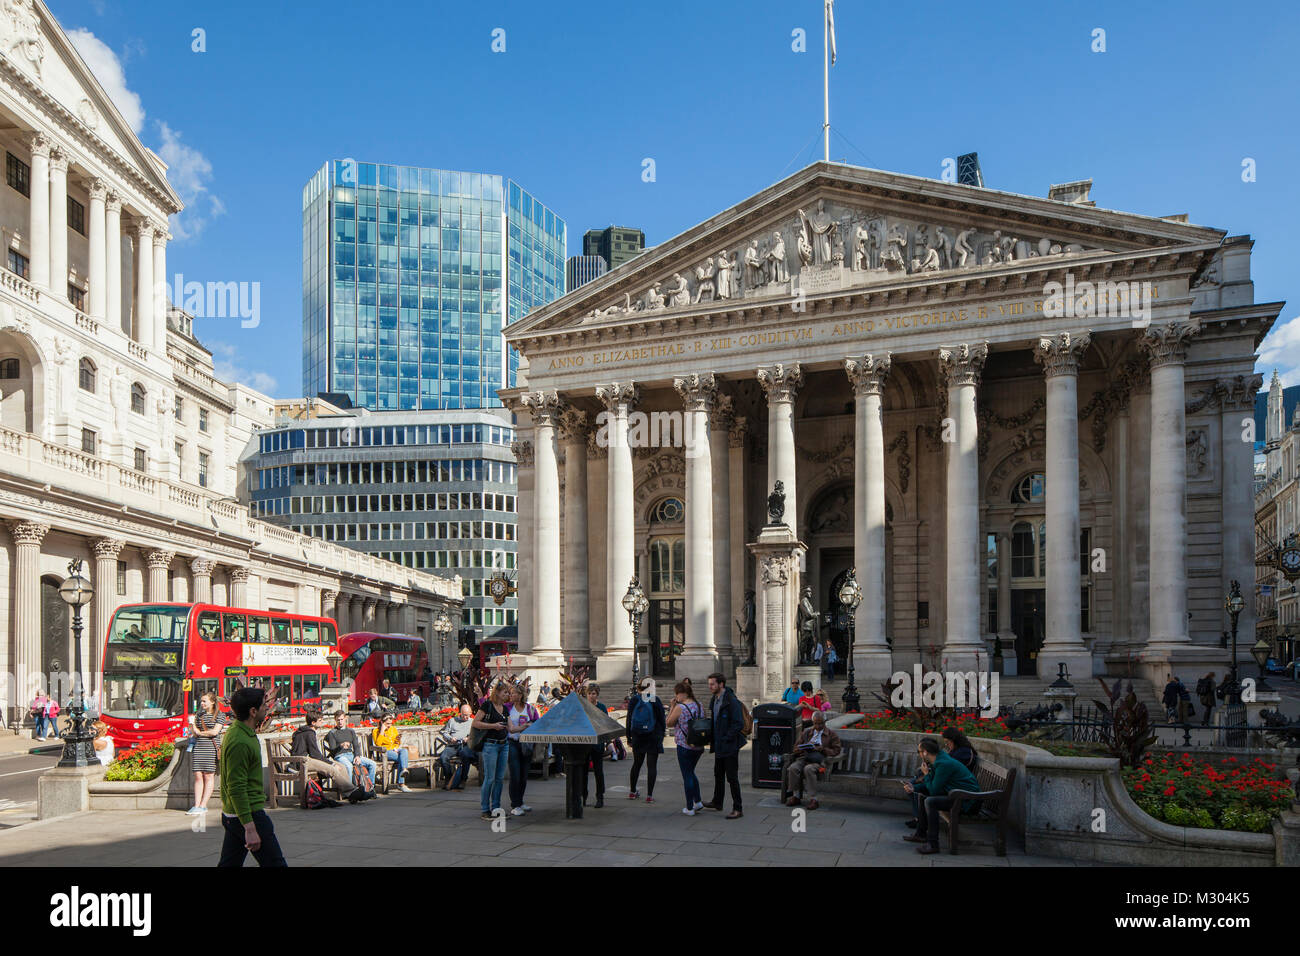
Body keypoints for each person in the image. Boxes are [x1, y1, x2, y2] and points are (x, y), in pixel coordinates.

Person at [219, 687, 287, 867]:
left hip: (235, 814)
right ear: (253, 711)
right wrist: (249, 827)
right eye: (264, 705)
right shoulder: (240, 741)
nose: (267, 708)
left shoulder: (238, 731)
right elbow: (236, 786)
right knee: (276, 864)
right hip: (249, 813)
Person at [903, 737, 981, 855]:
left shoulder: (943, 764)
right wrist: (914, 788)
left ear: (925, 752)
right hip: (958, 796)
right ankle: (921, 834)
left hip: (968, 801)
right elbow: (934, 784)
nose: (919, 754)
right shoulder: (938, 759)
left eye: (919, 751)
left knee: (930, 801)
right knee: (922, 796)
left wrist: (926, 774)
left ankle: (933, 844)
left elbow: (934, 790)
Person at [293, 710, 364, 803]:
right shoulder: (309, 733)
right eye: (320, 720)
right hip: (302, 761)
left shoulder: (307, 731)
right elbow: (315, 755)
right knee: (332, 769)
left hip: (308, 759)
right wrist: (331, 764)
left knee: (342, 767)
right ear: (313, 723)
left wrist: (331, 762)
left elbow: (316, 755)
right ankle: (351, 791)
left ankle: (349, 793)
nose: (322, 722)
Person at [701, 672, 745, 819]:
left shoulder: (731, 700)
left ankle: (738, 808)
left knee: (732, 777)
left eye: (712, 684)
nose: (710, 687)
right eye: (709, 684)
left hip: (729, 745)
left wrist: (727, 738)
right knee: (718, 774)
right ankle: (717, 801)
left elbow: (738, 723)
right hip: (719, 744)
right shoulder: (715, 699)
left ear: (721, 684)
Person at [784, 710, 841, 810]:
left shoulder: (832, 735)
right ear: (812, 722)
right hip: (804, 758)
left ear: (825, 722)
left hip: (819, 761)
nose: (818, 726)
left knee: (808, 769)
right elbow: (795, 748)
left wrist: (822, 749)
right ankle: (796, 796)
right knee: (793, 768)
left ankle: (814, 799)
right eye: (815, 723)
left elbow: (836, 750)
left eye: (820, 723)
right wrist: (801, 749)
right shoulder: (806, 732)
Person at [473, 681, 511, 819]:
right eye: (505, 692)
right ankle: (485, 809)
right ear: (498, 693)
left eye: (508, 692)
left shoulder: (505, 708)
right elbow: (476, 722)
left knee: (499, 779)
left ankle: (496, 807)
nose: (507, 694)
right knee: (489, 778)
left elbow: (511, 727)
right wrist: (493, 726)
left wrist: (527, 726)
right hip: (491, 745)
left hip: (504, 744)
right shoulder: (487, 705)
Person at [666, 681, 705, 815]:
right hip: (698, 745)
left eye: (677, 694)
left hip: (684, 745)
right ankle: (698, 801)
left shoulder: (680, 707)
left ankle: (689, 807)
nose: (676, 697)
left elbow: (669, 723)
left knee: (687, 775)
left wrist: (672, 706)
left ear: (683, 693)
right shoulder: (699, 705)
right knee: (691, 772)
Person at [626, 678, 666, 803]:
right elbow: (661, 720)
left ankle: (632, 792)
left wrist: (629, 737)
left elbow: (629, 719)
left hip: (638, 735)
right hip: (653, 736)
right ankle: (649, 795)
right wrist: (661, 735)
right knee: (652, 766)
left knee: (637, 764)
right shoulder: (655, 699)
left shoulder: (634, 699)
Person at [188, 692, 228, 815]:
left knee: (208, 776)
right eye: (201, 701)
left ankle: (203, 805)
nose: (202, 703)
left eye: (204, 701)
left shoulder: (220, 715)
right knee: (198, 776)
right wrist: (192, 724)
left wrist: (200, 733)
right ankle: (196, 805)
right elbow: (195, 733)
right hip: (199, 747)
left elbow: (215, 732)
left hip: (211, 747)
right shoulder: (199, 715)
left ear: (212, 702)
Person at [325, 711, 378, 797]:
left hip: (351, 754)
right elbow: (332, 750)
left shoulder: (350, 731)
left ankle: (370, 788)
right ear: (335, 720)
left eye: (342, 719)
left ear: (345, 719)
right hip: (340, 756)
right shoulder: (332, 733)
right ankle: (349, 791)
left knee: (372, 764)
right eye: (338, 720)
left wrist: (357, 756)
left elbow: (356, 746)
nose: (340, 722)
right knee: (348, 766)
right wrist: (341, 746)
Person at [506, 684, 539, 815]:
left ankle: (520, 801)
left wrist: (530, 725)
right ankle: (515, 804)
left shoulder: (530, 709)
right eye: (510, 693)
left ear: (520, 695)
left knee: (524, 775)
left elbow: (537, 722)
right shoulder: (507, 707)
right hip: (512, 742)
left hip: (526, 743)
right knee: (515, 774)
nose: (511, 695)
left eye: (513, 693)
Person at [438, 704, 476, 789]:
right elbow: (445, 733)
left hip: (465, 745)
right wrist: (450, 738)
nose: (467, 717)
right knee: (443, 757)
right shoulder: (452, 721)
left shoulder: (472, 722)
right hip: (453, 745)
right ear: (460, 713)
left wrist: (468, 738)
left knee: (465, 755)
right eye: (465, 715)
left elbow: (475, 735)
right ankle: (449, 779)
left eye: (468, 715)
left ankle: (463, 780)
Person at [372, 713, 412, 792]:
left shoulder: (393, 729)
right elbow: (378, 744)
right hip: (385, 752)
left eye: (390, 723)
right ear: (382, 722)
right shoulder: (376, 731)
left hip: (394, 750)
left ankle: (404, 769)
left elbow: (397, 742)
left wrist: (396, 746)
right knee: (402, 759)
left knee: (404, 751)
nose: (389, 725)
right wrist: (382, 731)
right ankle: (401, 784)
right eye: (387, 724)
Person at [582, 682, 607, 808]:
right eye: (590, 694)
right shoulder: (583, 707)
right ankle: (583, 796)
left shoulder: (601, 707)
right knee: (583, 771)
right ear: (586, 695)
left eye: (594, 694)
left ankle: (600, 796)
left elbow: (606, 724)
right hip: (585, 743)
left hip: (597, 742)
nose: (592, 696)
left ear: (597, 695)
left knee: (598, 771)